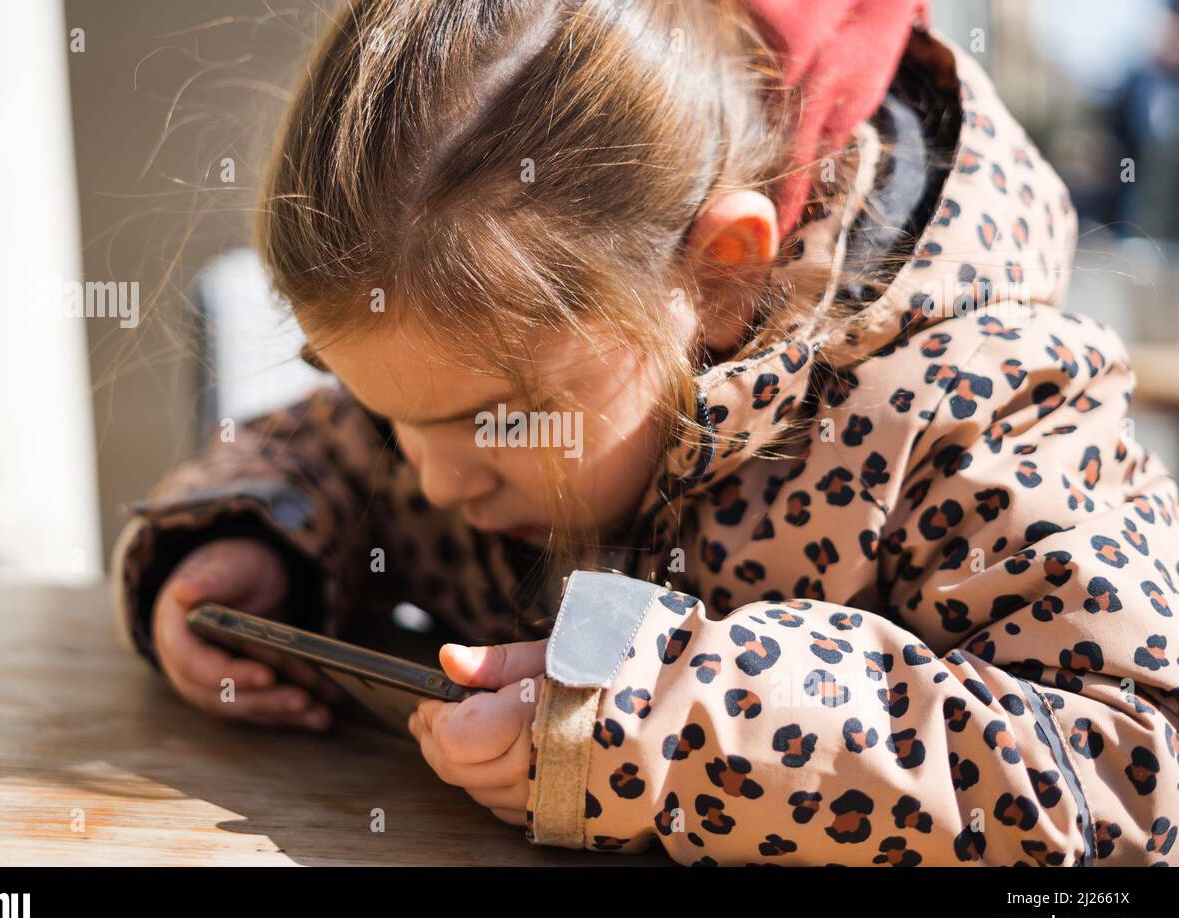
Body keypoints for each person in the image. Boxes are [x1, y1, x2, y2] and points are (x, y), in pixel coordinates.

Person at [111, 0, 1179, 865]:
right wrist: (255, 538)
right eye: (386, 410)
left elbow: (1135, 772)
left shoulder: (977, 401)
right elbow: (320, 451)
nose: (432, 480)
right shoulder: (482, 381)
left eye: (489, 418)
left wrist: (658, 725)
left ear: (718, 277)